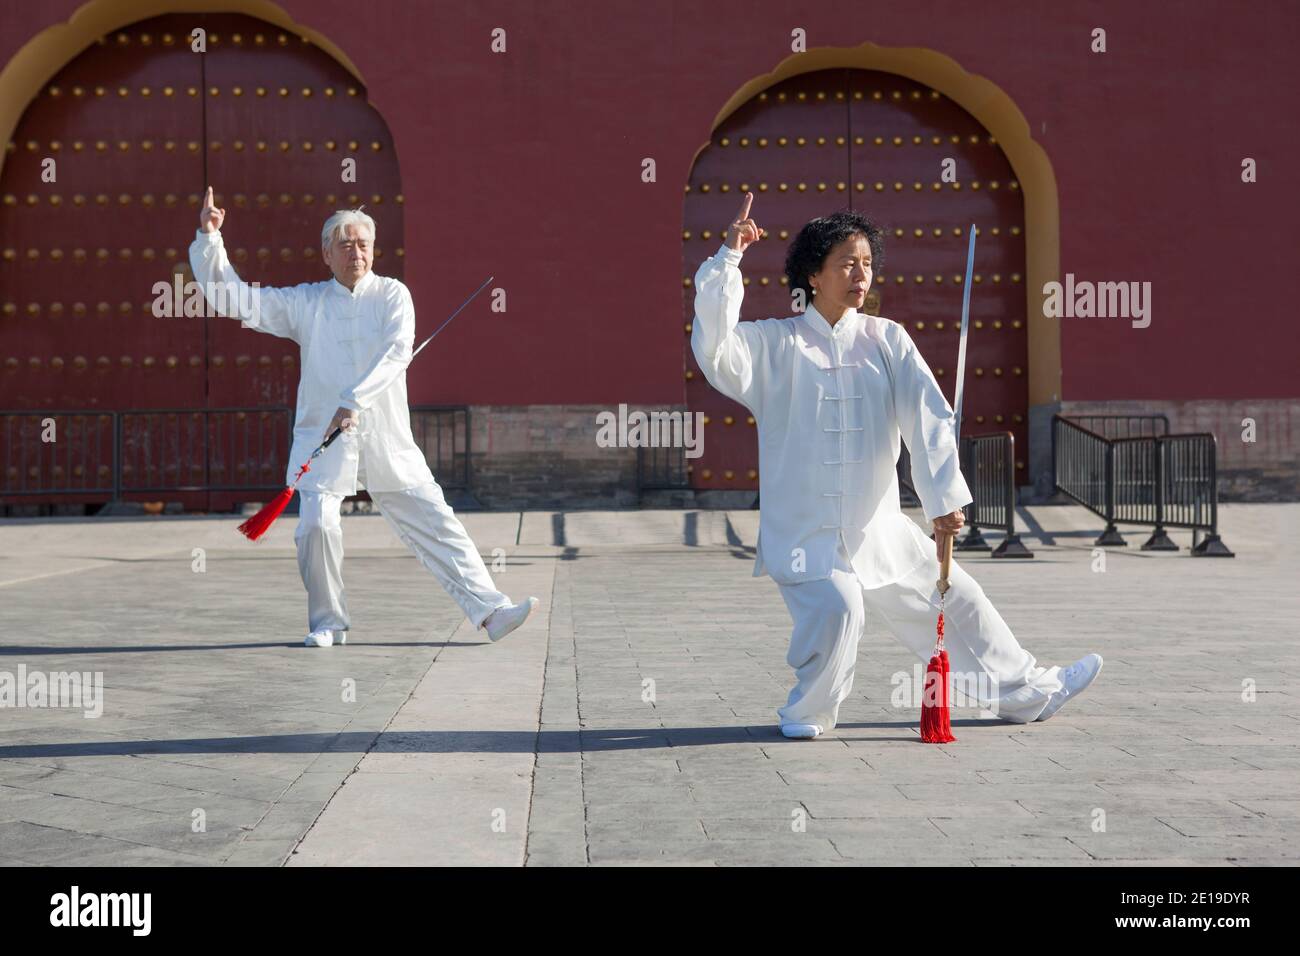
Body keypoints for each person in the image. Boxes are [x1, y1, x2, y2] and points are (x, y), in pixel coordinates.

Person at [691, 193, 1102, 738]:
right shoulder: (775, 345)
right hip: (805, 533)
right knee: (840, 611)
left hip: (877, 529)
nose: (860, 274)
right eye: (846, 263)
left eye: (866, 263)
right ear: (814, 274)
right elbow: (715, 349)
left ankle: (1029, 691)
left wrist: (943, 499)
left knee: (957, 599)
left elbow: (927, 417)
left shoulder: (887, 340)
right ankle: (807, 712)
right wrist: (728, 259)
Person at [189, 188, 537, 647]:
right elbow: (237, 301)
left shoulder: (394, 296)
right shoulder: (306, 304)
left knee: (435, 519)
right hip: (324, 439)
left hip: (385, 437)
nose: (357, 252)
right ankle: (328, 622)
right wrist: (210, 240)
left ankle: (490, 611)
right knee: (316, 526)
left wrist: (353, 400)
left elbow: (397, 352)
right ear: (327, 254)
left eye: (364, 244)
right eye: (346, 244)